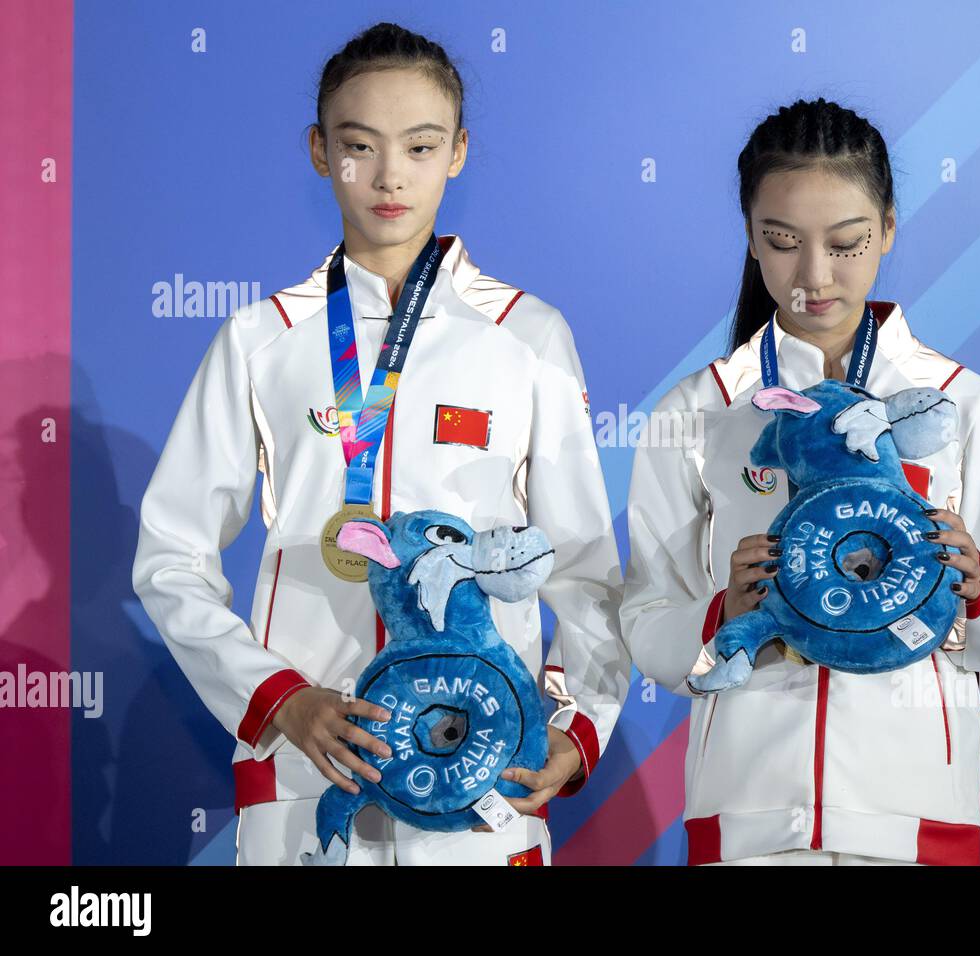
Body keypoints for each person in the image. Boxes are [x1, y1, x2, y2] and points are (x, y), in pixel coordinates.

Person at [132, 22, 628, 865]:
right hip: (309, 777)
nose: (391, 175)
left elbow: (581, 566)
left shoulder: (527, 335)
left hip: (481, 775)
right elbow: (169, 557)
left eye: (421, 145)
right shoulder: (262, 339)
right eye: (359, 146)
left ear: (459, 152)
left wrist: (574, 725)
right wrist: (280, 700)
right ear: (320, 153)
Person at [620, 97, 980, 866]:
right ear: (750, 237)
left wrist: (976, 586)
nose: (813, 276)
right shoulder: (701, 410)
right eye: (781, 242)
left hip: (915, 823)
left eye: (846, 243)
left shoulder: (961, 403)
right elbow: (649, 625)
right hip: (746, 824)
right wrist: (724, 610)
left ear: (887, 226)